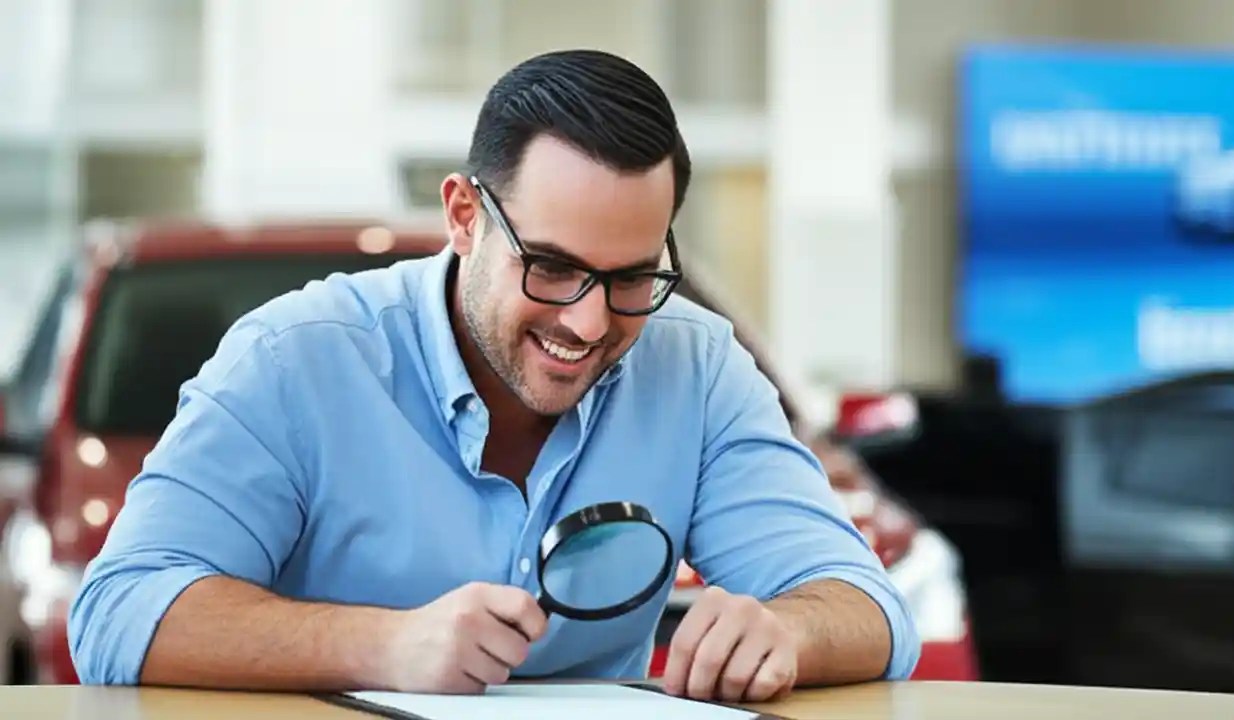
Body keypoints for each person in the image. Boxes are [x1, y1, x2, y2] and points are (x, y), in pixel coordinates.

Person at [68, 49, 919, 703]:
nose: (588, 324)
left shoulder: (696, 367)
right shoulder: (299, 359)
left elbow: (870, 609)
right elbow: (117, 613)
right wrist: (386, 647)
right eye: (549, 267)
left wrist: (787, 632)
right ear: (464, 216)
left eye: (630, 278)